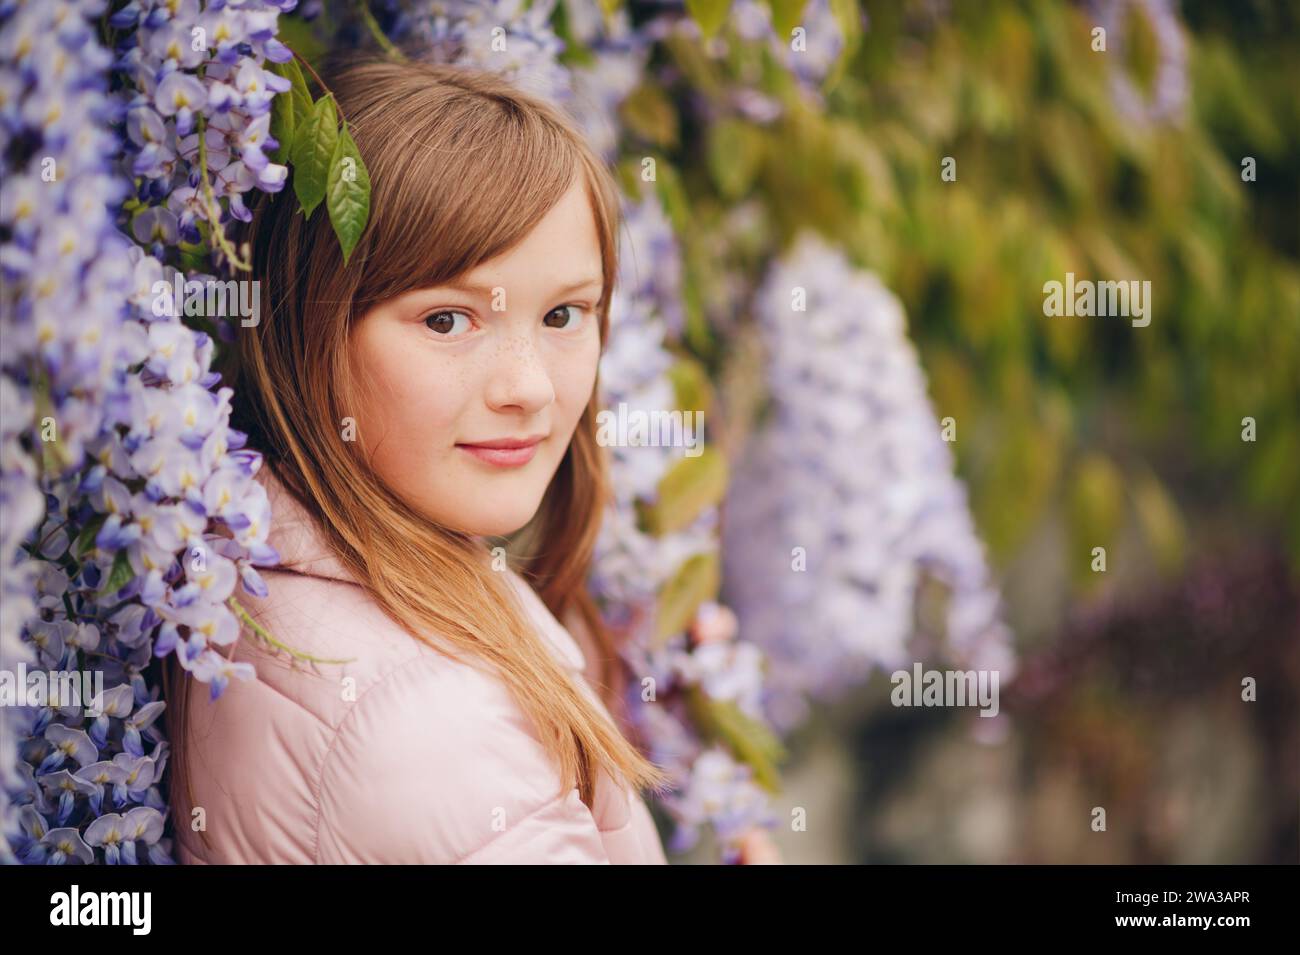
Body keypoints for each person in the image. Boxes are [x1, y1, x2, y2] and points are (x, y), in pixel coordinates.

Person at [164, 55, 673, 864]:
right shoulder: (438, 726)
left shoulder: (244, 578)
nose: (529, 388)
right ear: (309, 332)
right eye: (446, 320)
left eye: (565, 313)